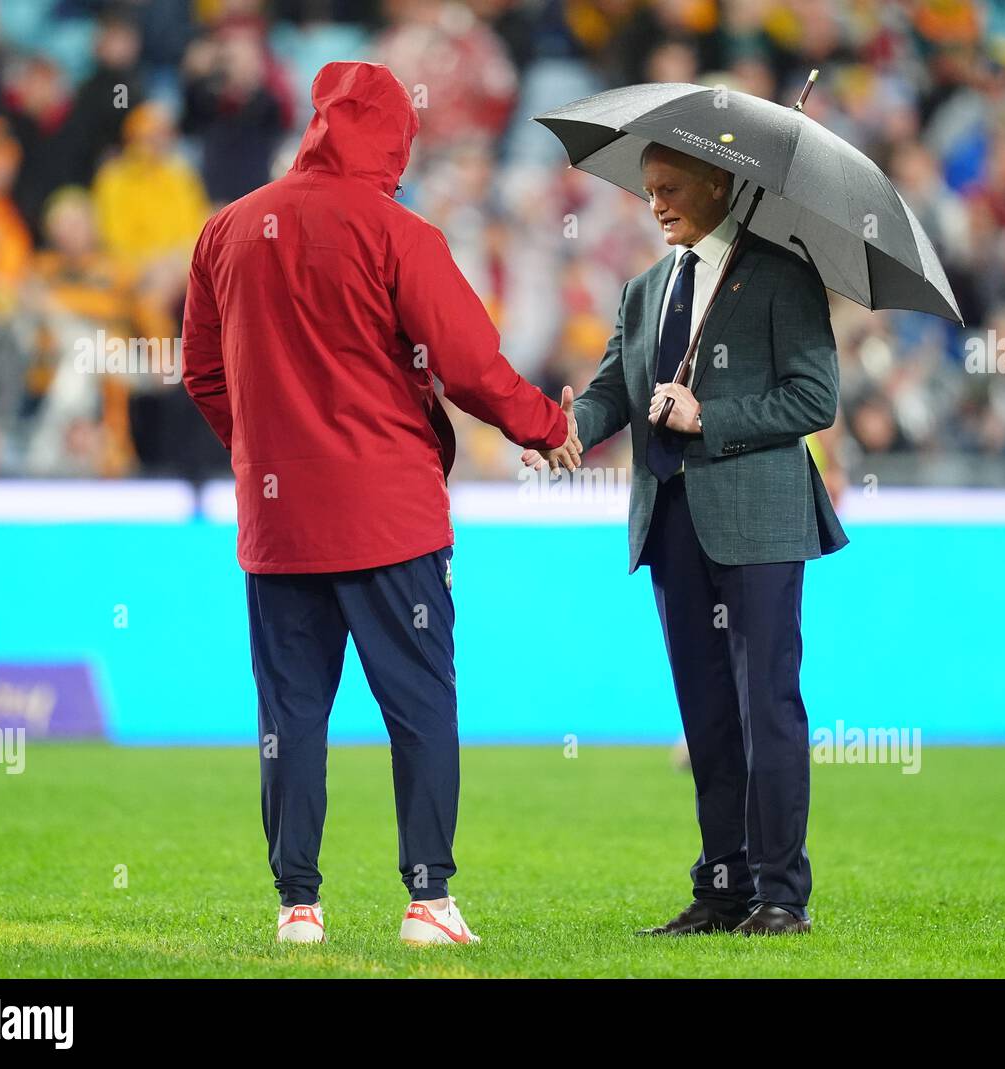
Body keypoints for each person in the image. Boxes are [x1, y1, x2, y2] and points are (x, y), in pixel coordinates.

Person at [182, 61, 579, 947]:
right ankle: (428, 900)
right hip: (389, 515)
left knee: (290, 717)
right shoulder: (400, 233)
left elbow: (204, 374)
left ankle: (297, 906)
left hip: (278, 521)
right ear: (398, 139)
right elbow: (471, 363)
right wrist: (545, 425)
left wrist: (267, 452)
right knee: (421, 706)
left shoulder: (226, 230)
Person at [524, 142, 846, 936]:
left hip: (761, 523)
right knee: (705, 711)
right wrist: (564, 431)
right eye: (649, 189)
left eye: (670, 188)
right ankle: (725, 886)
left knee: (765, 705)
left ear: (719, 181)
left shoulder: (781, 273)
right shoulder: (645, 288)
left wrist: (712, 417)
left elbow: (817, 397)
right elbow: (610, 392)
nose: (656, 201)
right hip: (669, 520)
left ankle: (781, 894)